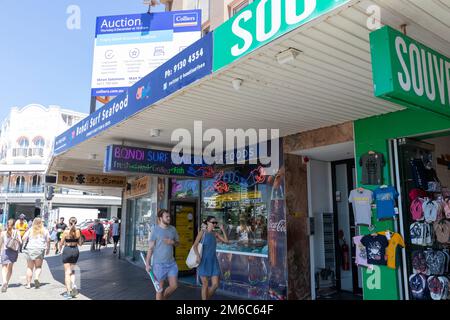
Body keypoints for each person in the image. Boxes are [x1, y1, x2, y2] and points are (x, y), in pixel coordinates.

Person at [145, 209, 179, 300]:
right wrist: (147, 264)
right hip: (159, 264)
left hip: (171, 263)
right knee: (159, 289)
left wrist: (172, 242)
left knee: (174, 286)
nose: (169, 218)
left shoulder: (173, 229)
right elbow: (150, 248)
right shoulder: (155, 230)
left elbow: (178, 244)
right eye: (166, 217)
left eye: (169, 216)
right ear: (160, 218)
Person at [193, 216, 229, 300]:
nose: (214, 224)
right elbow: (195, 245)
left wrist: (223, 229)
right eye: (213, 222)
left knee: (215, 284)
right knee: (205, 284)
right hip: (203, 261)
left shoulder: (215, 234)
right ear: (207, 222)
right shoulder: (202, 232)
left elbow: (226, 241)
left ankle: (206, 298)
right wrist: (198, 256)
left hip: (213, 261)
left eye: (215, 223)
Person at [22, 218, 50, 289]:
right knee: (38, 267)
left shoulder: (30, 229)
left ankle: (28, 284)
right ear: (41, 223)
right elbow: (48, 240)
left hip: (30, 249)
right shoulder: (45, 230)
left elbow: (23, 238)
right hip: (40, 249)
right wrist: (48, 248)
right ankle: (36, 278)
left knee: (29, 267)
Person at [60, 217, 82, 299]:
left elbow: (61, 243)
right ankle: (74, 286)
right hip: (75, 251)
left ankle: (68, 292)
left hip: (67, 250)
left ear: (69, 223)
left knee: (67, 272)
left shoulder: (65, 232)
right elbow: (80, 243)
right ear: (76, 222)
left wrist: (59, 248)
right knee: (72, 271)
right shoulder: (78, 231)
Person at [0, 219, 22, 292]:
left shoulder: (3, 233)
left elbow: (1, 243)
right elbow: (20, 242)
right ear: (14, 225)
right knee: (10, 267)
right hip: (13, 251)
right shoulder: (17, 232)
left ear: (7, 224)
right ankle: (7, 282)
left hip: (5, 251)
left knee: (4, 267)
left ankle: (4, 282)